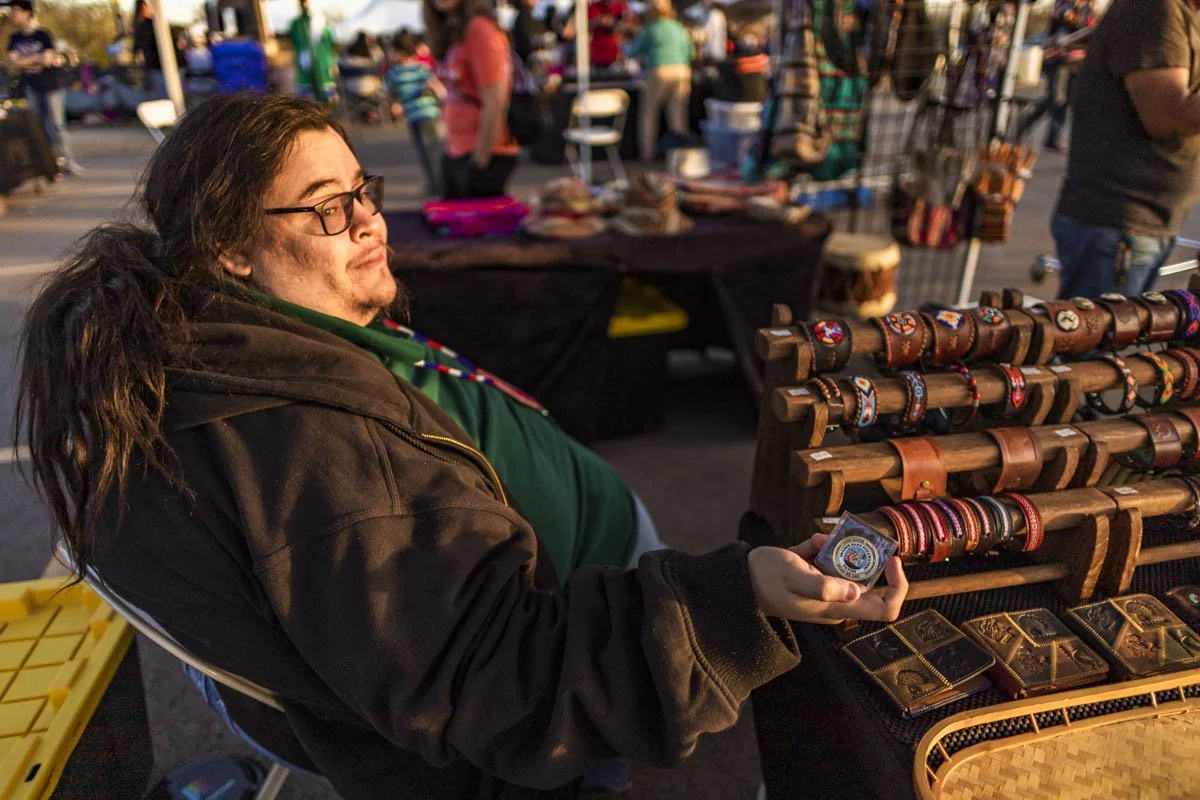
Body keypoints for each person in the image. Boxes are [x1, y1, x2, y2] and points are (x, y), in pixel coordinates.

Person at [16, 92, 906, 800]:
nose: (369, 222)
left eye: (363, 190)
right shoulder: (315, 464)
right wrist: (737, 598)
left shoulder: (242, 351)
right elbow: (505, 683)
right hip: (561, 666)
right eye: (329, 209)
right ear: (228, 249)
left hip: (578, 590)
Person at [1051, 0, 1200, 299]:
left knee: (1106, 337)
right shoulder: (1155, 9)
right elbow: (1167, 116)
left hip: (1139, 222)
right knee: (1094, 338)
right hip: (1120, 222)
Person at [424, 0, 520, 198]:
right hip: (458, 150)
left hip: (483, 151)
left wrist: (481, 159)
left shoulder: (479, 28)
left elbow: (495, 99)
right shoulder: (454, 29)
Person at [5, 0, 82, 175]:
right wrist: (36, 58)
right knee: (37, 127)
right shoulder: (14, 39)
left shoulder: (43, 35)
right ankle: (48, 165)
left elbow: (47, 60)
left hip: (51, 85)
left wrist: (25, 61)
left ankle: (69, 162)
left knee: (56, 125)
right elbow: (13, 64)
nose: (13, 15)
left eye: (16, 11)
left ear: (27, 12)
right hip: (31, 86)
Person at [1016, 0, 1095, 152]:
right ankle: (1024, 122)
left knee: (1064, 101)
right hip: (1057, 58)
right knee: (1053, 97)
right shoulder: (1065, 4)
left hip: (1074, 61)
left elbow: (1089, 28)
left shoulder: (1088, 8)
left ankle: (1052, 138)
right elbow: (1065, 18)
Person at [626, 0, 695, 161]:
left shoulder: (651, 28)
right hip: (682, 70)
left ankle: (647, 154)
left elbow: (632, 51)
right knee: (678, 115)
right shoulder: (678, 27)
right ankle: (679, 156)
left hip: (659, 71)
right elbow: (691, 53)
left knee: (649, 113)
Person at [387, 30, 445, 196]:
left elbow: (391, 94)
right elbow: (439, 90)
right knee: (436, 151)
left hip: (414, 115)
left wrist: (397, 105)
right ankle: (441, 184)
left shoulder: (394, 73)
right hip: (431, 113)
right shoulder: (422, 68)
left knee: (424, 152)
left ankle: (434, 186)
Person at [288, 0, 338, 103]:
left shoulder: (323, 24)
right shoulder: (297, 24)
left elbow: (330, 45)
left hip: (322, 71)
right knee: (308, 103)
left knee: (323, 102)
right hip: (308, 73)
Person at [131, 0, 166, 98]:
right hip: (157, 66)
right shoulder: (147, 25)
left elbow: (137, 49)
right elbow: (138, 48)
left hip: (157, 66)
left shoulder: (147, 24)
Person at [588, 0, 628, 69]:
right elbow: (587, 26)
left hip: (614, 54)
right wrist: (599, 21)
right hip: (598, 55)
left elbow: (623, 26)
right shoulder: (593, 8)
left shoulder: (618, 7)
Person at [699, 0, 727, 65]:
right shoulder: (718, 14)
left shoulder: (714, 15)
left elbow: (706, 34)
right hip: (717, 53)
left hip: (713, 54)